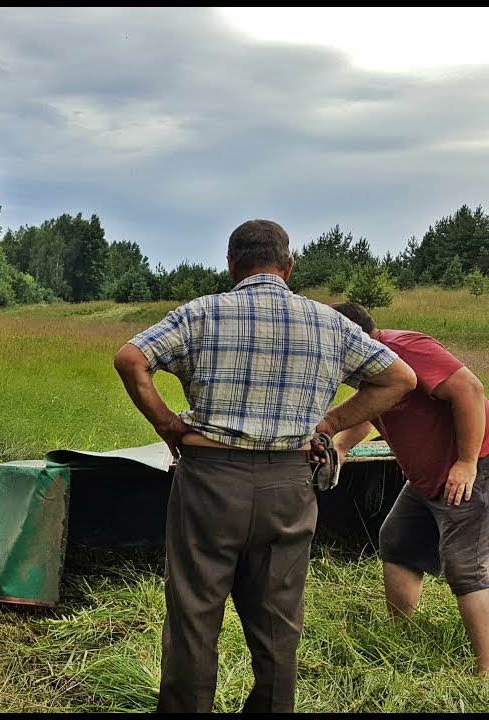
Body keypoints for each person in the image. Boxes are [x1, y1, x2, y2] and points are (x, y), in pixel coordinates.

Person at [113, 219, 417, 713]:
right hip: (289, 486)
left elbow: (131, 359)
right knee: (278, 624)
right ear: (289, 265)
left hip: (210, 480)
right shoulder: (330, 322)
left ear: (231, 264)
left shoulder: (202, 313)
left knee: (194, 617)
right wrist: (330, 422)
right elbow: (399, 378)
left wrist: (169, 426)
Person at [328, 301, 489, 674]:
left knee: (467, 567)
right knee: (399, 541)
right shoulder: (373, 372)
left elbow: (469, 389)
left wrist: (465, 463)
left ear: (351, 341)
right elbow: (367, 414)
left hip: (472, 468)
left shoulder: (406, 348)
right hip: (427, 478)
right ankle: (400, 633)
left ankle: (485, 671)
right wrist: (339, 445)